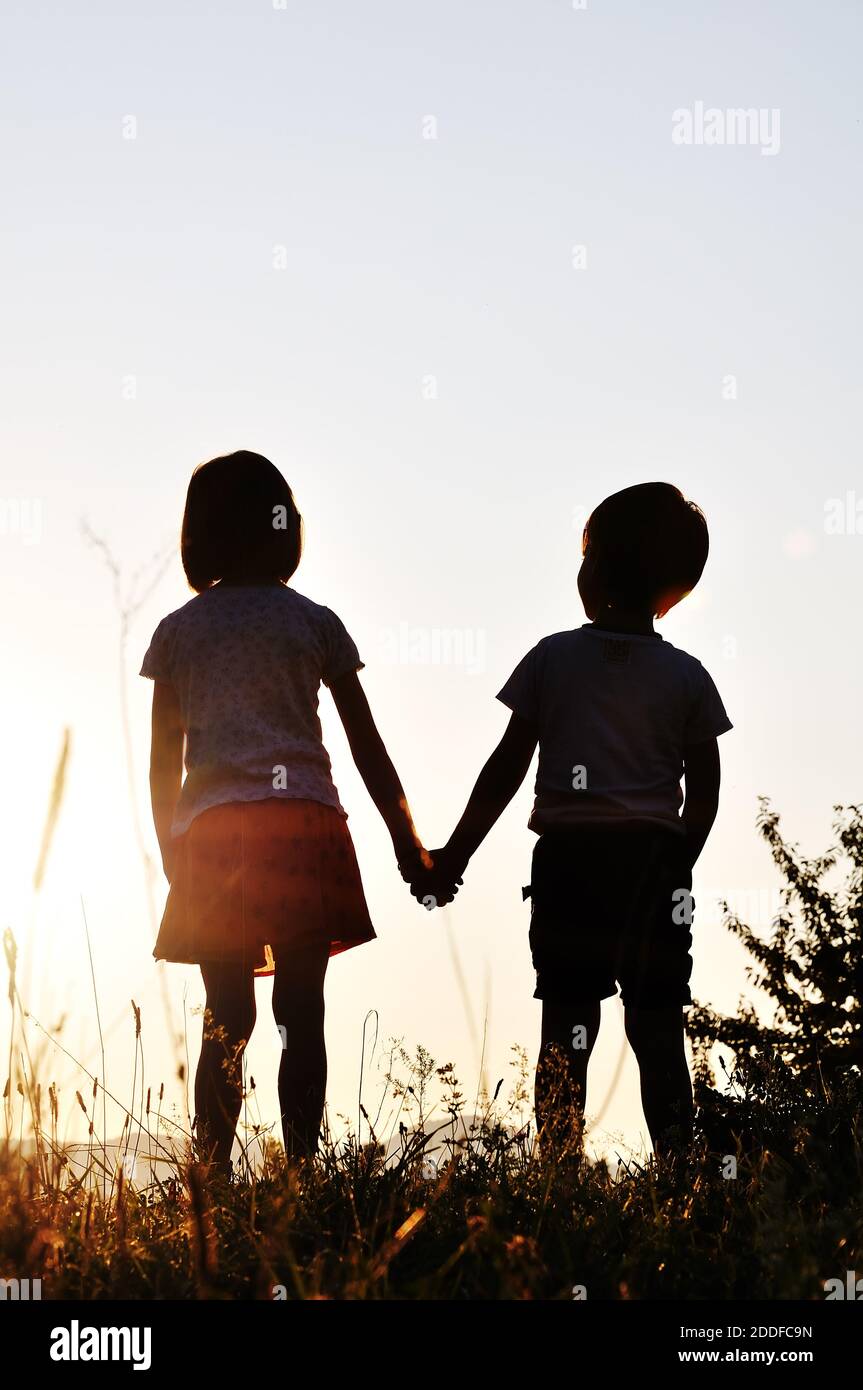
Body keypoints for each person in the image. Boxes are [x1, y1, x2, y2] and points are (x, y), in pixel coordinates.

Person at [409, 483, 732, 1155]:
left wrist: (454, 856)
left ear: (596, 569)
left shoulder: (553, 658)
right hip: (653, 864)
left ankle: (558, 1175)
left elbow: (505, 769)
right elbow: (703, 791)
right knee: (655, 1031)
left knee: (565, 1030)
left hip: (569, 865)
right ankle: (679, 1179)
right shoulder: (685, 677)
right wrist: (676, 864)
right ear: (674, 587)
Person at [141, 450, 426, 1170]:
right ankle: (302, 1174)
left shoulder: (178, 631)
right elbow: (367, 746)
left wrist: (174, 854)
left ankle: (211, 1177)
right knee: (302, 1012)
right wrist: (407, 844)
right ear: (282, 529)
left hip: (214, 835)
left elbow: (161, 761)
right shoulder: (314, 622)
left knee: (224, 1019)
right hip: (304, 826)